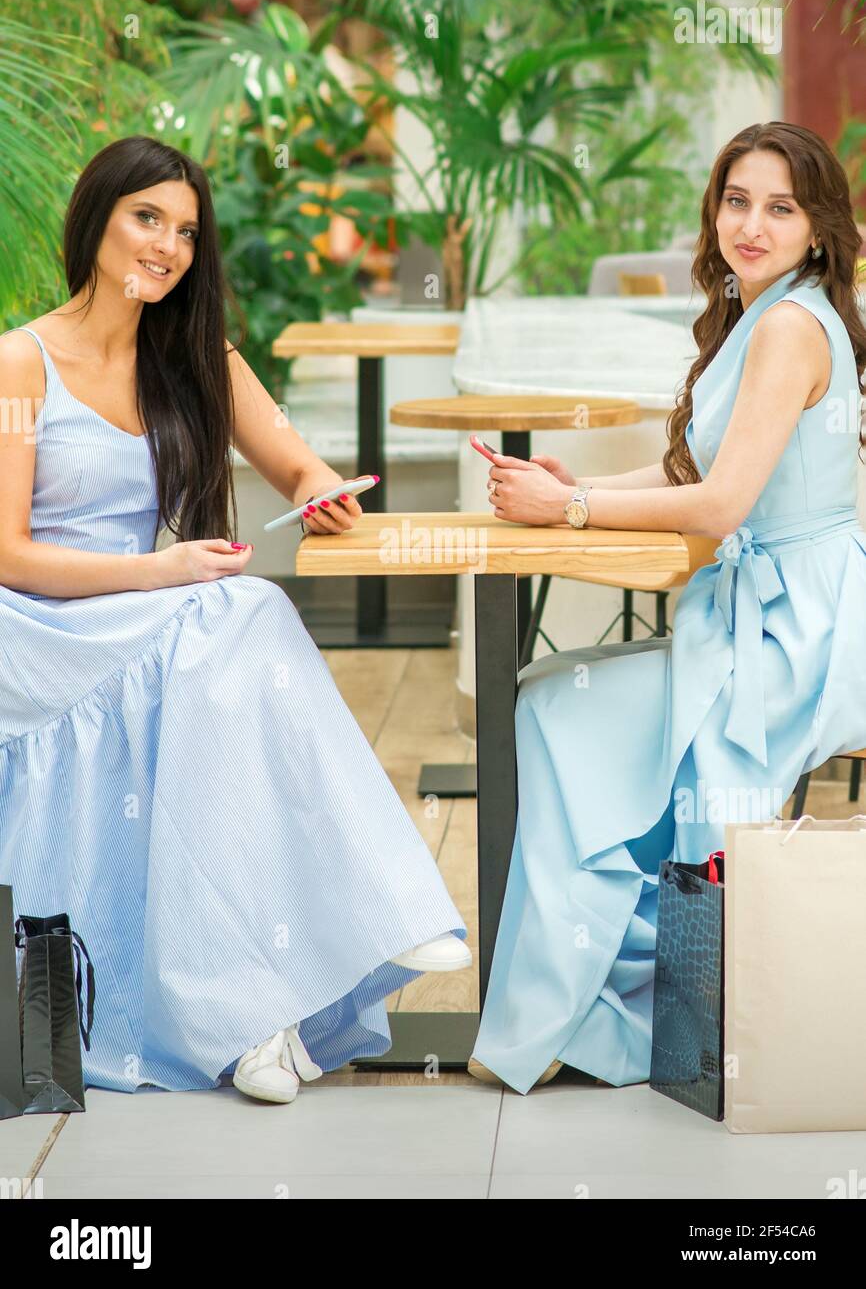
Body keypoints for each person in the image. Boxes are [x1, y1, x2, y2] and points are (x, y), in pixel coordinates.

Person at [0, 135, 470, 1107]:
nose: (166, 246)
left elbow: (295, 461)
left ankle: (254, 1013)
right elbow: (6, 552)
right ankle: (369, 921)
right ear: (96, 218)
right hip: (37, 627)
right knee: (239, 607)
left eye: (184, 231)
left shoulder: (196, 355)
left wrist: (321, 486)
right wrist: (156, 570)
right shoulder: (19, 365)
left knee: (232, 681)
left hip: (139, 615)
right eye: (146, 218)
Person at [467, 120, 866, 1094]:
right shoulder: (770, 310)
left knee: (554, 704)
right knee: (552, 690)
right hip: (766, 608)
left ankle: (591, 1006)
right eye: (735, 200)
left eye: (779, 206)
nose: (750, 224)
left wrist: (567, 508)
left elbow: (720, 507)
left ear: (817, 225)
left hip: (797, 632)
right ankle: (594, 997)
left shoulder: (784, 325)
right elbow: (699, 468)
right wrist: (578, 485)